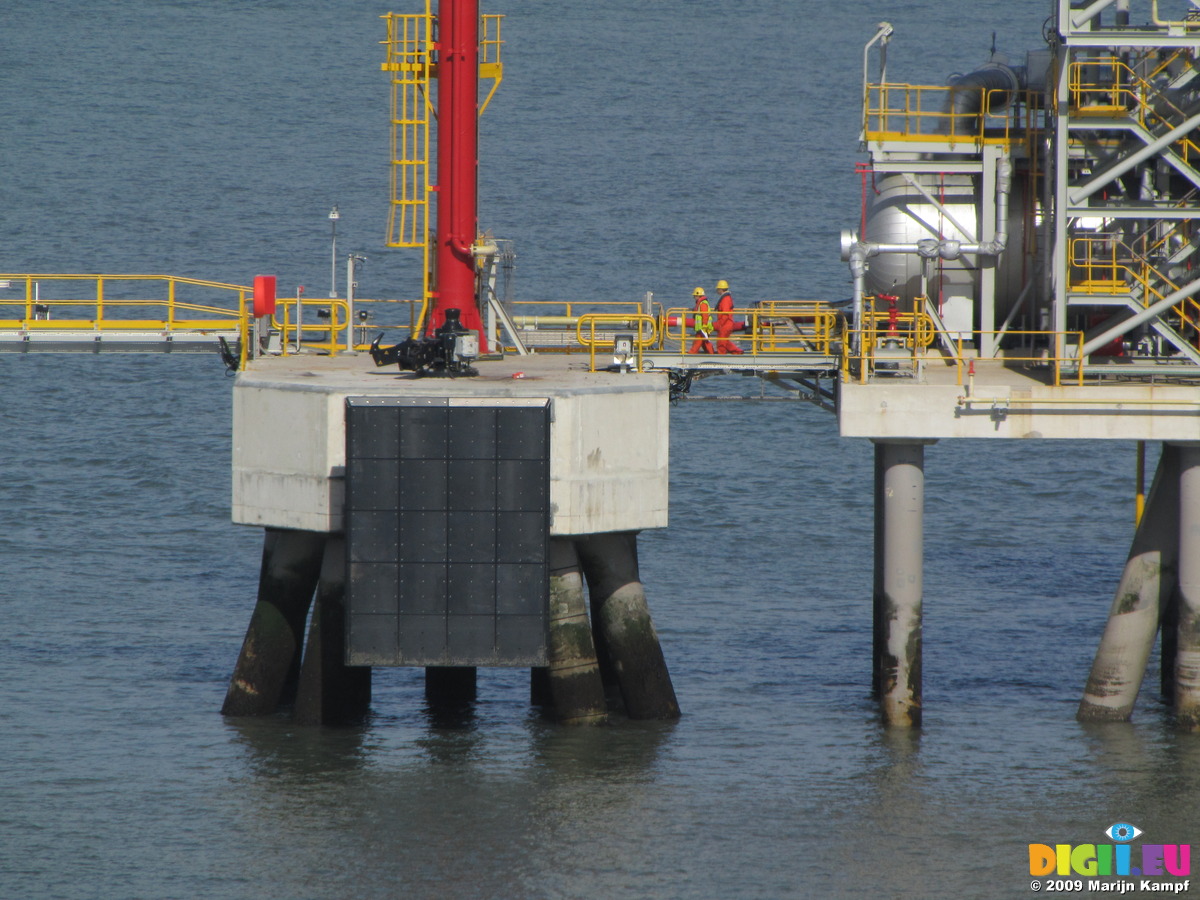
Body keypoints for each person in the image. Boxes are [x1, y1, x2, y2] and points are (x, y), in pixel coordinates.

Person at [714, 279, 744, 355]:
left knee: (721, 342)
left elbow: (725, 313)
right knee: (724, 341)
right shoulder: (726, 298)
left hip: (725, 324)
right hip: (726, 323)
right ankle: (737, 352)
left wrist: (720, 324)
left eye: (718, 289)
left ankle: (722, 355)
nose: (717, 290)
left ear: (720, 289)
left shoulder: (725, 299)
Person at [689, 287, 715, 354]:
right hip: (702, 328)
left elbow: (705, 315)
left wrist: (704, 326)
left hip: (703, 328)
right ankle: (710, 354)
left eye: (694, 296)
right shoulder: (701, 303)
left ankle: (691, 354)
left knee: (698, 342)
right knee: (705, 343)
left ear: (698, 295)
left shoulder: (703, 303)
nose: (694, 297)